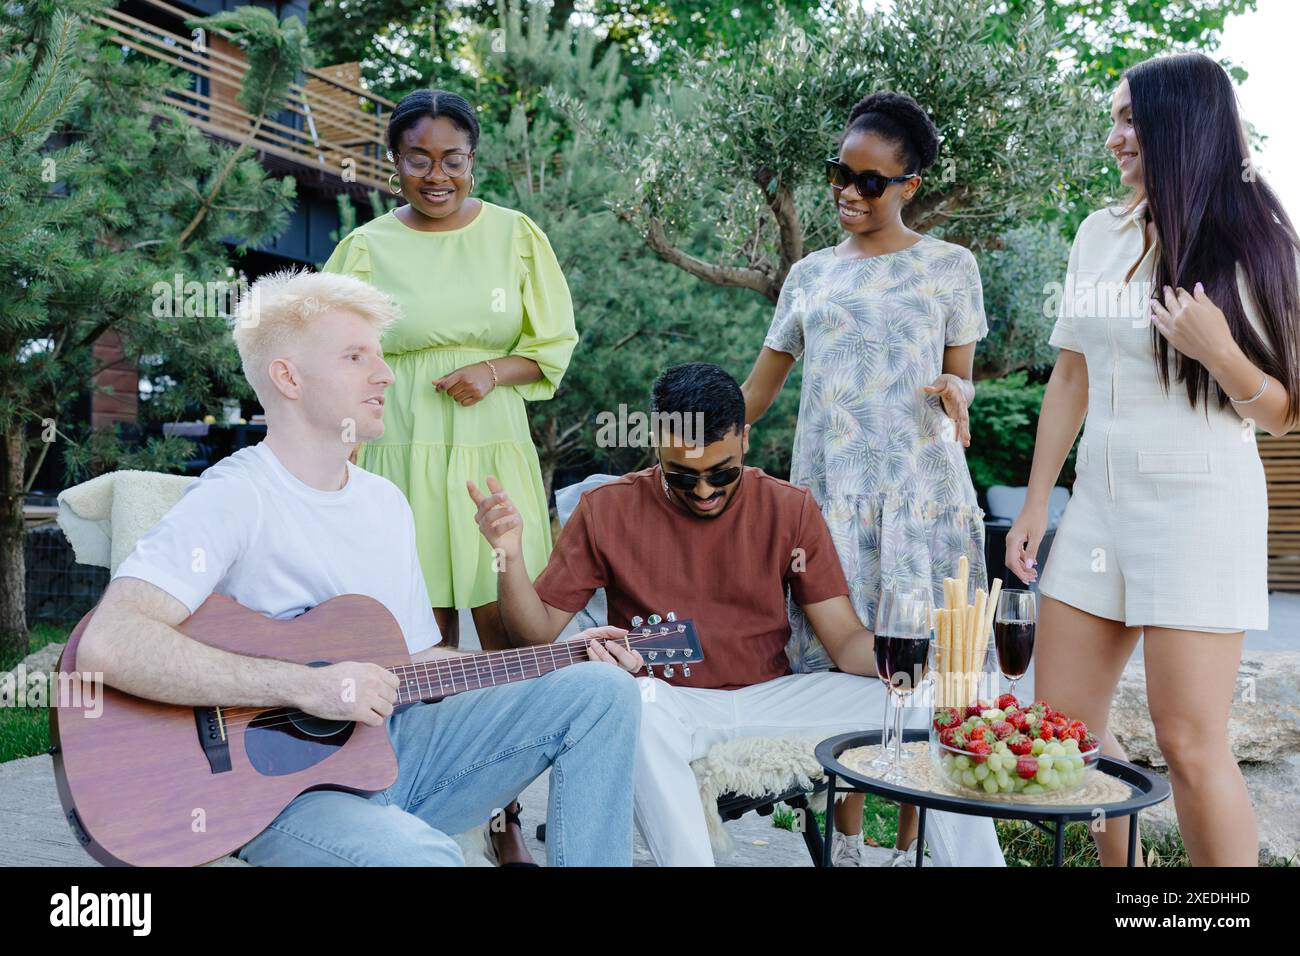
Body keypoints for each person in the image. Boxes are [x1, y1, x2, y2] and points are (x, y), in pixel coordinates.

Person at [74, 268, 643, 867]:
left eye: (379, 355)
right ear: (288, 377)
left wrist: (565, 655)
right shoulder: (235, 496)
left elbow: (419, 664)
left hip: (397, 752)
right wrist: (306, 685)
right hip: (280, 795)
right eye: (354, 357)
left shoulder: (383, 502)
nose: (386, 374)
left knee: (600, 690)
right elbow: (109, 645)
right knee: (425, 860)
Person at [469, 362, 1005, 866]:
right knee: (632, 702)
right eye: (681, 475)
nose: (702, 490)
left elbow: (844, 642)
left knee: (937, 700)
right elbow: (533, 632)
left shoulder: (789, 507)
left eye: (720, 473)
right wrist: (508, 557)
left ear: (744, 440)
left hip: (773, 700)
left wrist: (929, 657)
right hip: (670, 704)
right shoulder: (606, 511)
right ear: (656, 446)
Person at [1005, 53, 1300, 866]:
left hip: (1201, 514)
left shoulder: (1254, 245)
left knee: (1190, 743)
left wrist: (1220, 353)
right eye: (1115, 117)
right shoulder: (1099, 233)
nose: (1115, 136)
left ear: (1182, 125)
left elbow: (1281, 412)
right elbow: (1071, 374)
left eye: (1131, 119)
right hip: (1099, 507)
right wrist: (1038, 504)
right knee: (1067, 735)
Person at [323, 89, 579, 862]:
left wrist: (495, 371)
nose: (437, 175)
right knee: (418, 645)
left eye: (453, 160)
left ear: (474, 161)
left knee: (507, 642)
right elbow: (331, 349)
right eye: (418, 159)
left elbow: (554, 342)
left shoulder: (516, 236)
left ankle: (505, 820)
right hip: (396, 448)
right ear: (393, 163)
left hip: (488, 445)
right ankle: (420, 812)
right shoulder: (365, 247)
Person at [741, 91, 989, 866]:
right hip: (830, 508)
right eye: (837, 174)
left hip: (924, 502)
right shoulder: (810, 275)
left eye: (870, 181)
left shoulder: (952, 267)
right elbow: (758, 391)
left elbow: (962, 380)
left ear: (909, 184)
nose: (848, 191)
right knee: (839, 674)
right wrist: (687, 446)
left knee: (926, 676)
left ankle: (914, 844)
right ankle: (845, 845)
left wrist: (961, 395)